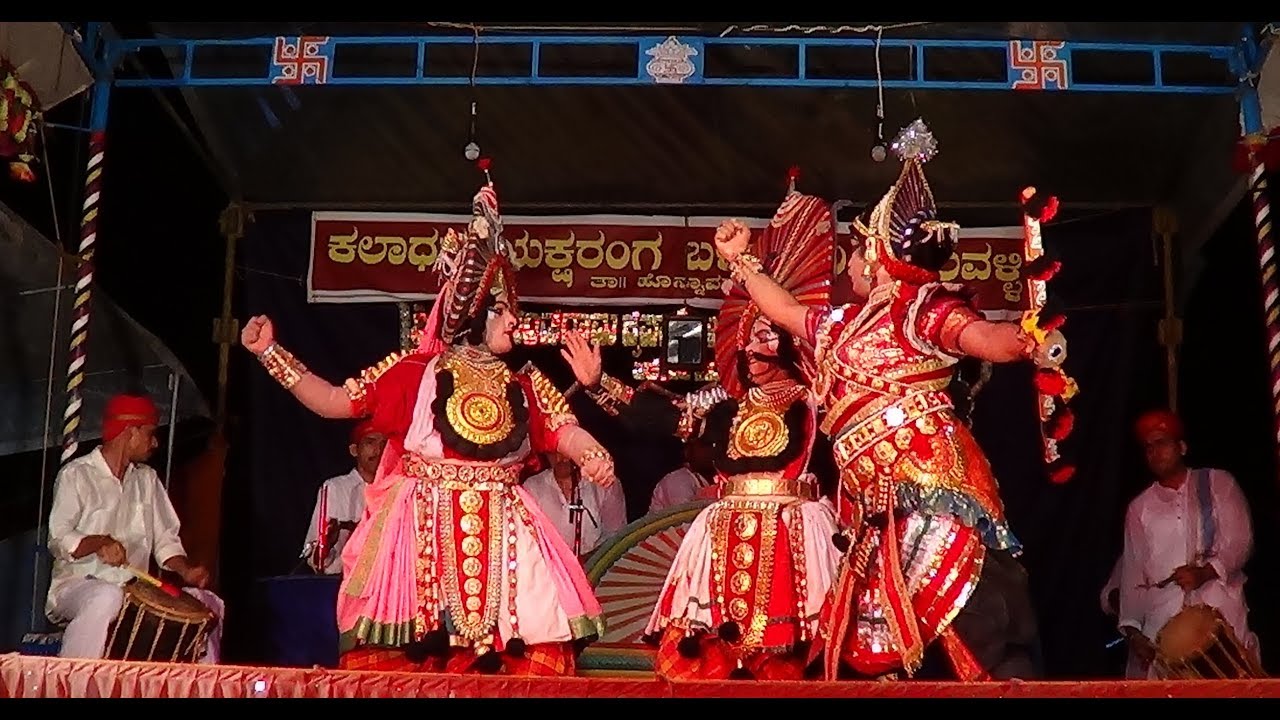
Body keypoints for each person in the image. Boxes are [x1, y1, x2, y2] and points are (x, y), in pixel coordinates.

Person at [240, 167, 616, 676]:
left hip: (506, 520)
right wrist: (270, 354)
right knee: (414, 656)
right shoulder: (416, 372)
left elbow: (562, 427)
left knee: (529, 641)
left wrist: (590, 452)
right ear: (475, 312)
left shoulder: (523, 381)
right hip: (422, 522)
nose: (514, 320)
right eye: (502, 310)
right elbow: (332, 401)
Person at [714, 119, 1052, 682]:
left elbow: (981, 338)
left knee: (973, 619)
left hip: (934, 489)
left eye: (854, 253)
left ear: (874, 258)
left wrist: (1025, 340)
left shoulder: (920, 309)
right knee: (881, 647)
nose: (848, 264)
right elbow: (782, 310)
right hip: (875, 507)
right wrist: (742, 262)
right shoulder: (840, 323)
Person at [563, 191, 845, 680]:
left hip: (795, 538)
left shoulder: (816, 398)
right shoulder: (728, 411)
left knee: (794, 658)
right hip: (726, 531)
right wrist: (597, 384)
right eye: (748, 338)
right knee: (713, 656)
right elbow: (656, 416)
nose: (753, 347)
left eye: (765, 336)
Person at [45, 393, 224, 662]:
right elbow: (59, 539)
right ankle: (76, 683)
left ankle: (202, 687)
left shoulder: (147, 479)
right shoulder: (76, 475)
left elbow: (165, 540)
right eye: (150, 433)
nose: (155, 442)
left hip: (136, 591)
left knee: (207, 605)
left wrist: (186, 570)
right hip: (76, 586)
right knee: (106, 596)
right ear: (129, 432)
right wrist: (100, 542)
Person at [1115, 408, 1259, 678]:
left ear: (1182, 447)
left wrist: (1206, 571)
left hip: (1219, 613)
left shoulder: (1217, 483)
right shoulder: (1140, 507)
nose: (1154, 452)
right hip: (1163, 625)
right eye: (1147, 447)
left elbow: (1241, 540)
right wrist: (1133, 630)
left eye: (1161, 443)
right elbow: (1134, 572)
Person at [302, 421, 388, 574]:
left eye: (384, 444)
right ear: (354, 450)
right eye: (370, 442)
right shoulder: (335, 488)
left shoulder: (398, 490)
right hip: (341, 582)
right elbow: (315, 558)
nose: (379, 450)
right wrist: (326, 546)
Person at [521, 451, 628, 559]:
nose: (560, 459)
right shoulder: (532, 488)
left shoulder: (604, 484)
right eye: (554, 452)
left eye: (564, 452)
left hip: (594, 567)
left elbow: (615, 538)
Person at [647, 436, 717, 515]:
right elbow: (687, 521)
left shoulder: (705, 478)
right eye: (705, 445)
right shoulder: (677, 480)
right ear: (687, 452)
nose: (711, 451)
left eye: (712, 445)